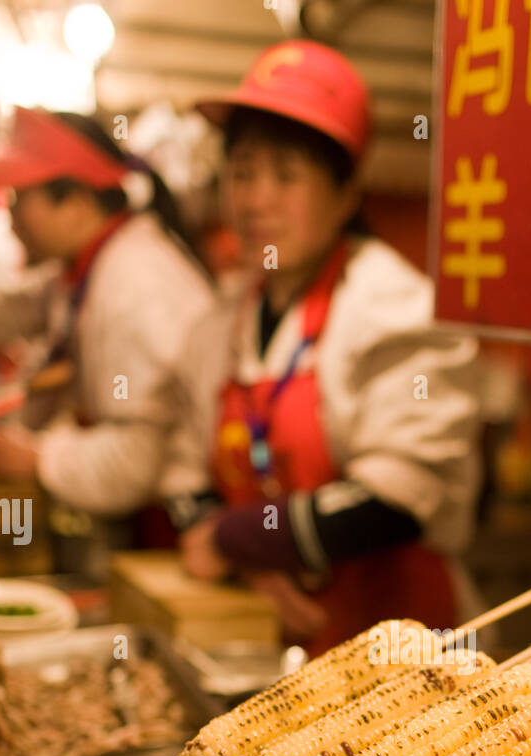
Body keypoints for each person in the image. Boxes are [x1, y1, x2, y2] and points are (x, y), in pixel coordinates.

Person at [176, 41, 481, 653]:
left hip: (406, 650)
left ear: (346, 194)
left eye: (285, 175)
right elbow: (182, 470)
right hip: (273, 646)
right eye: (243, 171)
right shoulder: (218, 322)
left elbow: (401, 495)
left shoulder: (396, 305)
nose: (256, 200)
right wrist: (251, 562)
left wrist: (233, 537)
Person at [0, 108, 214, 527]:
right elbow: (10, 309)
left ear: (76, 201)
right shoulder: (90, 265)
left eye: (22, 200)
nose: (12, 219)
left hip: (175, 524)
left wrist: (36, 458)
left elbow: (136, 459)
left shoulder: (137, 283)